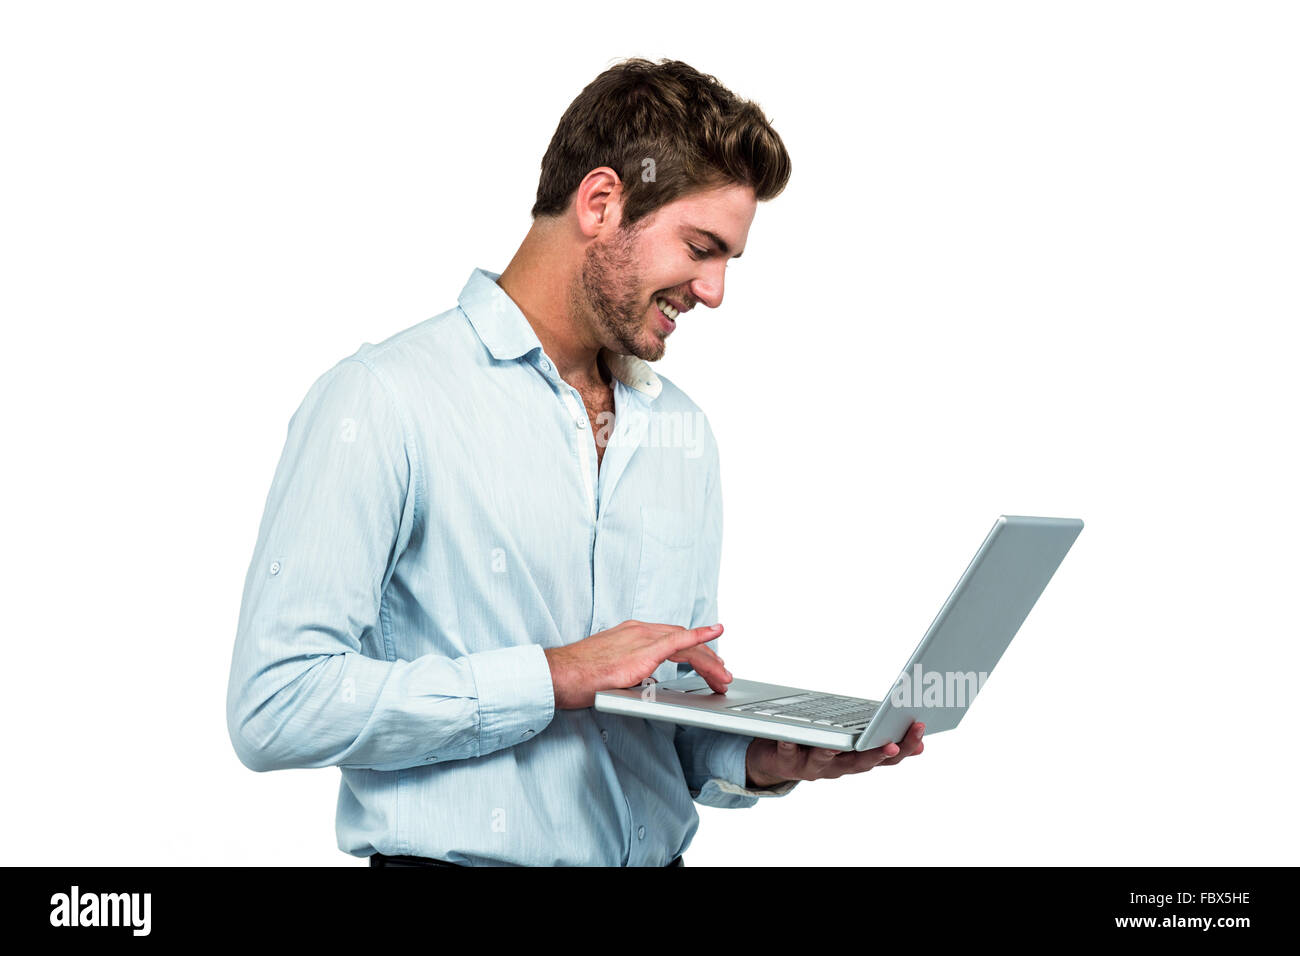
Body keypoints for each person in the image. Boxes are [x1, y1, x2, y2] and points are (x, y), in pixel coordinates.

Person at [226, 57, 924, 867]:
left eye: (729, 259)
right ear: (601, 202)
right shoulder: (383, 401)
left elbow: (662, 715)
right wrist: (554, 674)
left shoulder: (681, 432)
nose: (715, 290)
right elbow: (275, 703)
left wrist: (759, 759)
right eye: (702, 247)